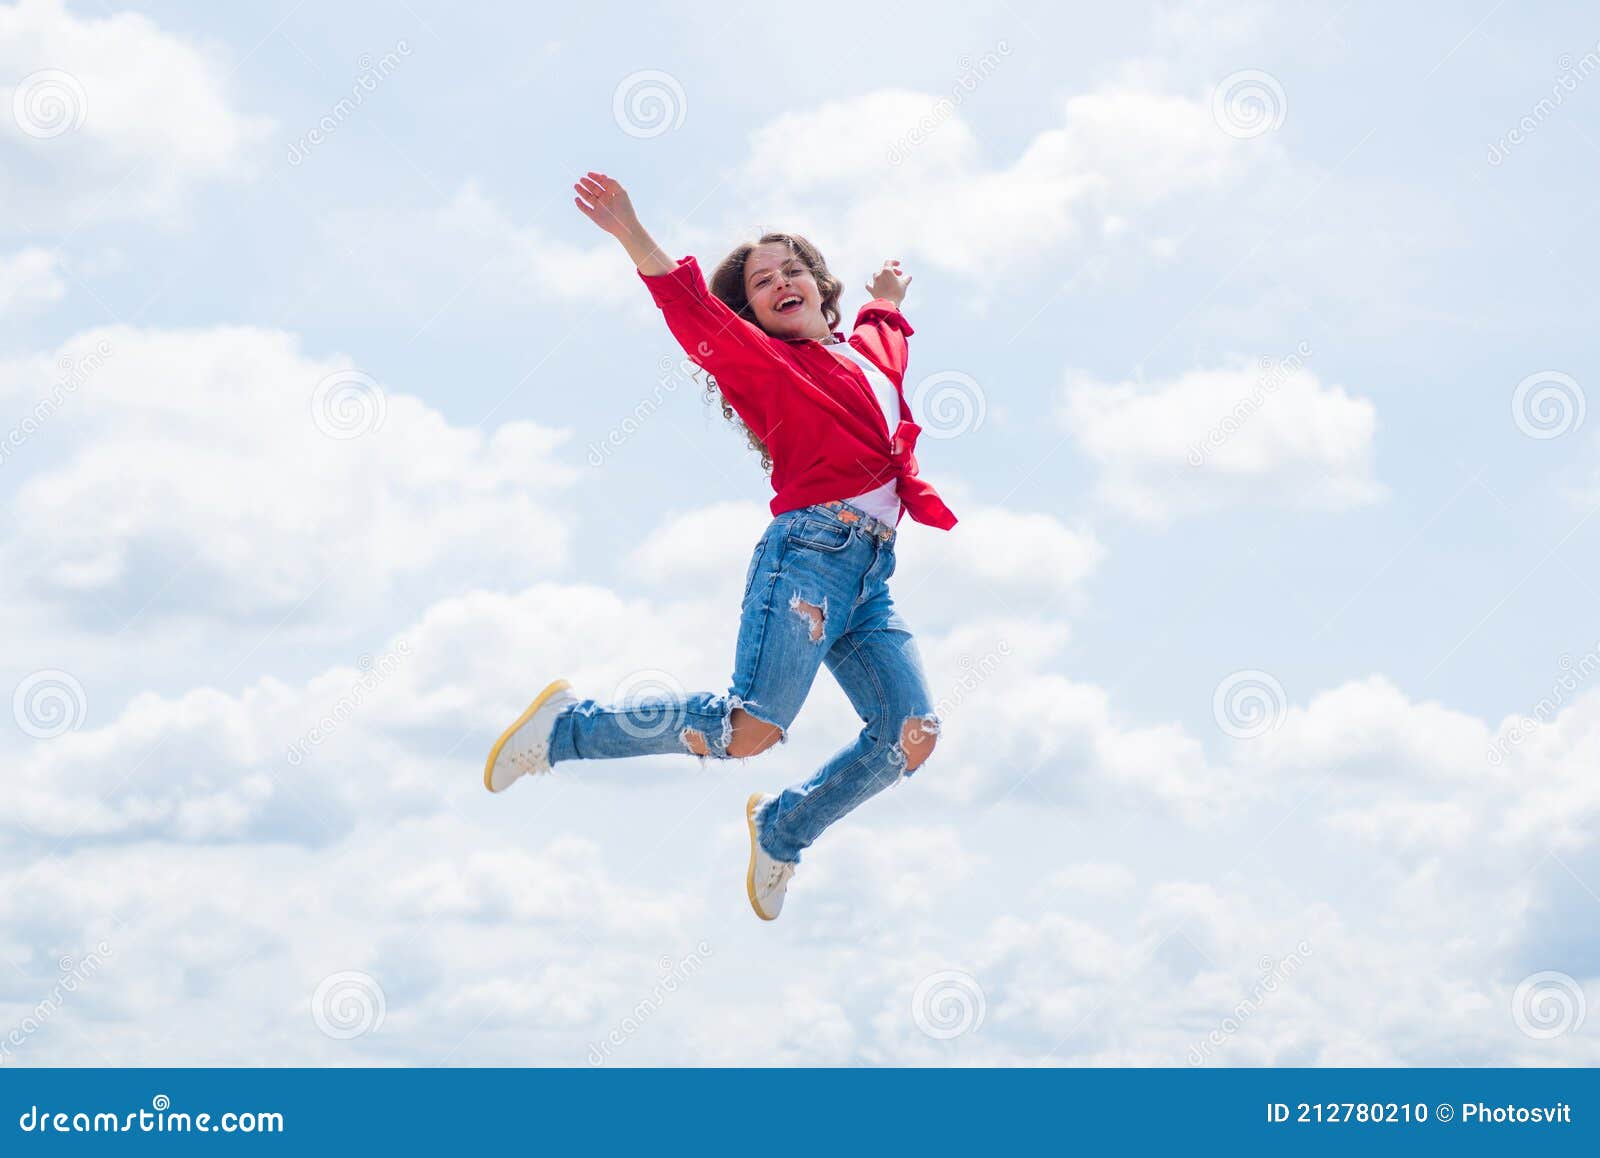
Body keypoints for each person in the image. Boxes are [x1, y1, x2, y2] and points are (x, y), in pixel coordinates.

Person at [484, 171, 958, 922]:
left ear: (819, 286)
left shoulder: (868, 354)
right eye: (762, 283)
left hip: (869, 576)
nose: (779, 283)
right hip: (809, 552)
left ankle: (784, 827)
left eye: (792, 270)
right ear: (755, 315)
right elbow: (690, 308)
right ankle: (564, 731)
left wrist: (888, 297)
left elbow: (884, 332)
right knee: (748, 732)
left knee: (912, 733)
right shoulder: (762, 364)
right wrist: (631, 232)